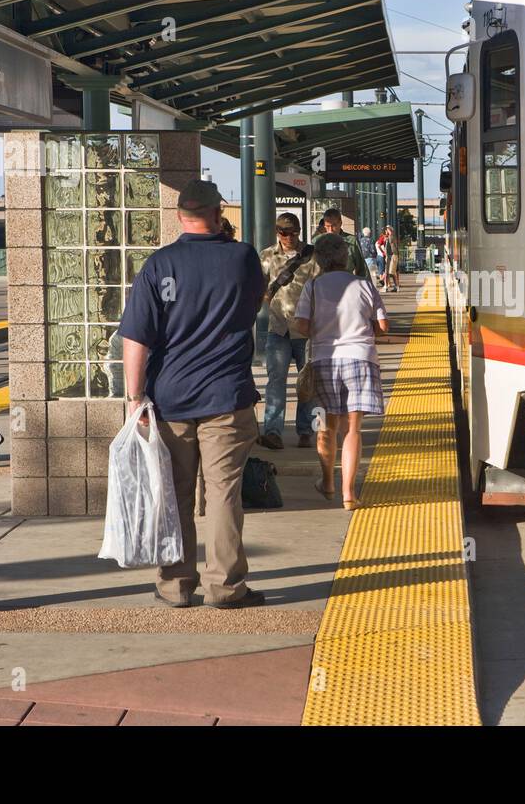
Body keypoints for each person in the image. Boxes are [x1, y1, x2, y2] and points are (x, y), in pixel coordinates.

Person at [119, 179, 267, 609]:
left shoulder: (158, 265)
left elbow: (136, 339)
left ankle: (176, 585)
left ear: (180, 215)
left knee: (175, 493)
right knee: (222, 493)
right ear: (218, 213)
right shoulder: (242, 258)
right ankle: (226, 587)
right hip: (227, 395)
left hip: (170, 399)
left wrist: (135, 398)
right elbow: (254, 303)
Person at [294, 233, 388, 510]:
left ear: (319, 259)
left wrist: (322, 330)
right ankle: (349, 493)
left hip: (325, 359)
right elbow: (383, 327)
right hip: (360, 358)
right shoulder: (363, 285)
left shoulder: (312, 287)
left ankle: (328, 482)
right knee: (353, 428)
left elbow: (301, 325)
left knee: (327, 427)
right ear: (345, 257)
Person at [259, 212, 317, 450]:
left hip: (306, 330)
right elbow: (260, 287)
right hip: (279, 329)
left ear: (299, 232)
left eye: (293, 233)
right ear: (277, 232)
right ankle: (273, 432)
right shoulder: (266, 256)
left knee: (307, 383)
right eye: (284, 233)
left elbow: (321, 288)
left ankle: (306, 431)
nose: (289, 237)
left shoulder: (312, 257)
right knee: (276, 381)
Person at [314, 207, 368, 278]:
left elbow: (362, 268)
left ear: (340, 223)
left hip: (347, 284)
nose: (331, 230)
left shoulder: (352, 241)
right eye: (327, 226)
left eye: (334, 225)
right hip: (324, 285)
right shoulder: (317, 241)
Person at [384, 224, 400, 293]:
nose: (385, 231)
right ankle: (388, 286)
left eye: (386, 229)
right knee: (388, 272)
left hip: (392, 255)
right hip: (390, 256)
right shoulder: (390, 237)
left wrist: (387, 239)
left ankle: (396, 286)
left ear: (389, 230)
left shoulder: (391, 237)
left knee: (392, 272)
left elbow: (393, 246)